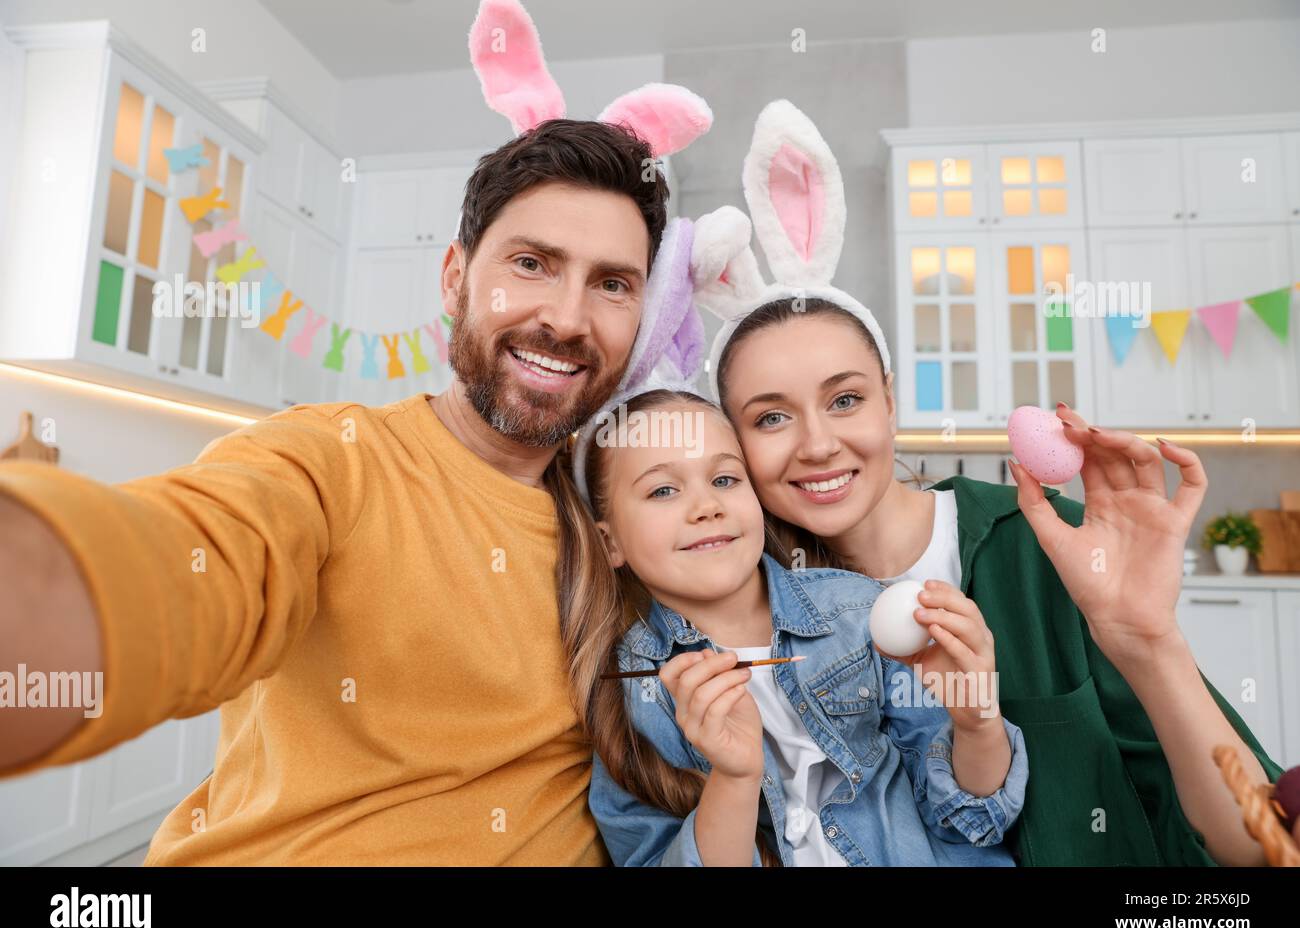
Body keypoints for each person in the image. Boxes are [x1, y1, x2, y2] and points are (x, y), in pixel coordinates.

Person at [0, 0, 715, 864]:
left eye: (612, 284)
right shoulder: (326, 463)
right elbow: (193, 559)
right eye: (531, 264)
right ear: (455, 279)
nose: (567, 318)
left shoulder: (625, 513)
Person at [692, 98, 1281, 866]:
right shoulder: (751, 614)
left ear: (891, 401)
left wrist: (1147, 641)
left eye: (845, 399)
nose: (818, 444)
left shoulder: (1040, 545)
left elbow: (1259, 848)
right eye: (770, 418)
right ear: (735, 441)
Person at [563, 271, 1030, 863]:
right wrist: (733, 779)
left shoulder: (857, 611)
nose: (706, 506)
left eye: (725, 479)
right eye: (661, 492)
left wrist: (976, 721)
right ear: (609, 543)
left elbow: (970, 821)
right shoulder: (632, 693)